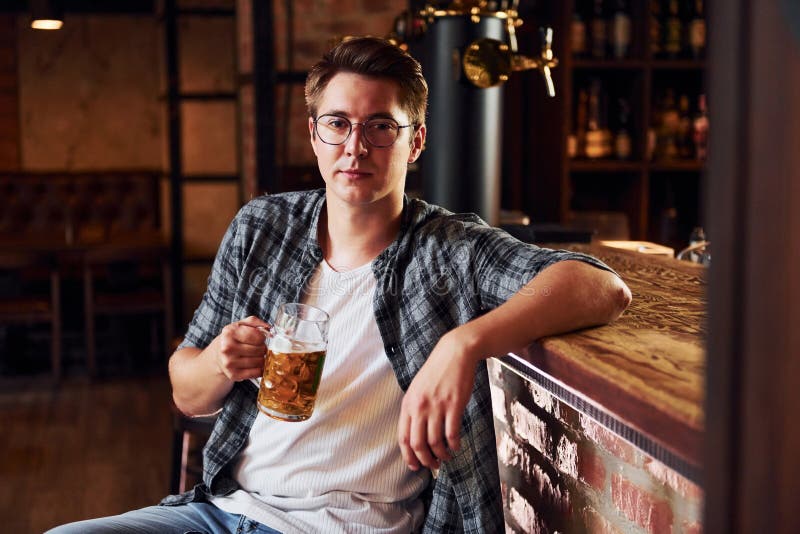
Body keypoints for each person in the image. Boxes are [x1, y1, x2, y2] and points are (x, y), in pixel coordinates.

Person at [48, 36, 631, 534]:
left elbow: (601, 286)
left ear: (416, 141)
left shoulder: (448, 249)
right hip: (224, 513)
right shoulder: (263, 226)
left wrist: (463, 344)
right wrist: (221, 363)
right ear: (314, 134)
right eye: (339, 124)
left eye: (381, 127)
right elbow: (186, 390)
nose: (356, 147)